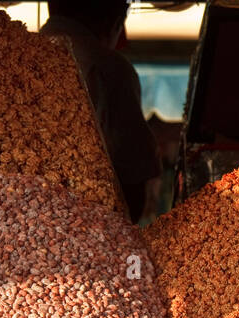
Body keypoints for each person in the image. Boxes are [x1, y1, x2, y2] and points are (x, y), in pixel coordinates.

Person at [43, 0, 161, 222]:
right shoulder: (108, 68)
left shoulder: (10, 61)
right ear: (116, 20)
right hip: (89, 229)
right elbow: (134, 170)